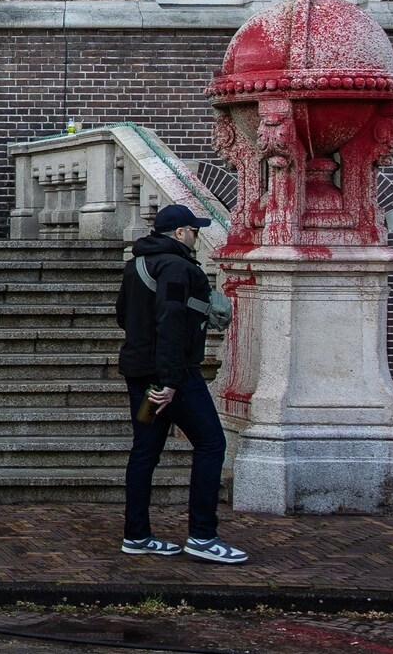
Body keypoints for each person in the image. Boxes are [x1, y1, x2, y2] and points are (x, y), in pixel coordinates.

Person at [114, 202, 247, 564]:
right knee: (210, 443)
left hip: (140, 374)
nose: (196, 236)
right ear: (180, 233)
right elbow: (171, 324)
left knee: (145, 452)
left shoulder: (136, 264)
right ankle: (203, 535)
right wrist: (171, 381)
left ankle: (136, 535)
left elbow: (122, 315)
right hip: (173, 377)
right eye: (194, 230)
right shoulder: (176, 268)